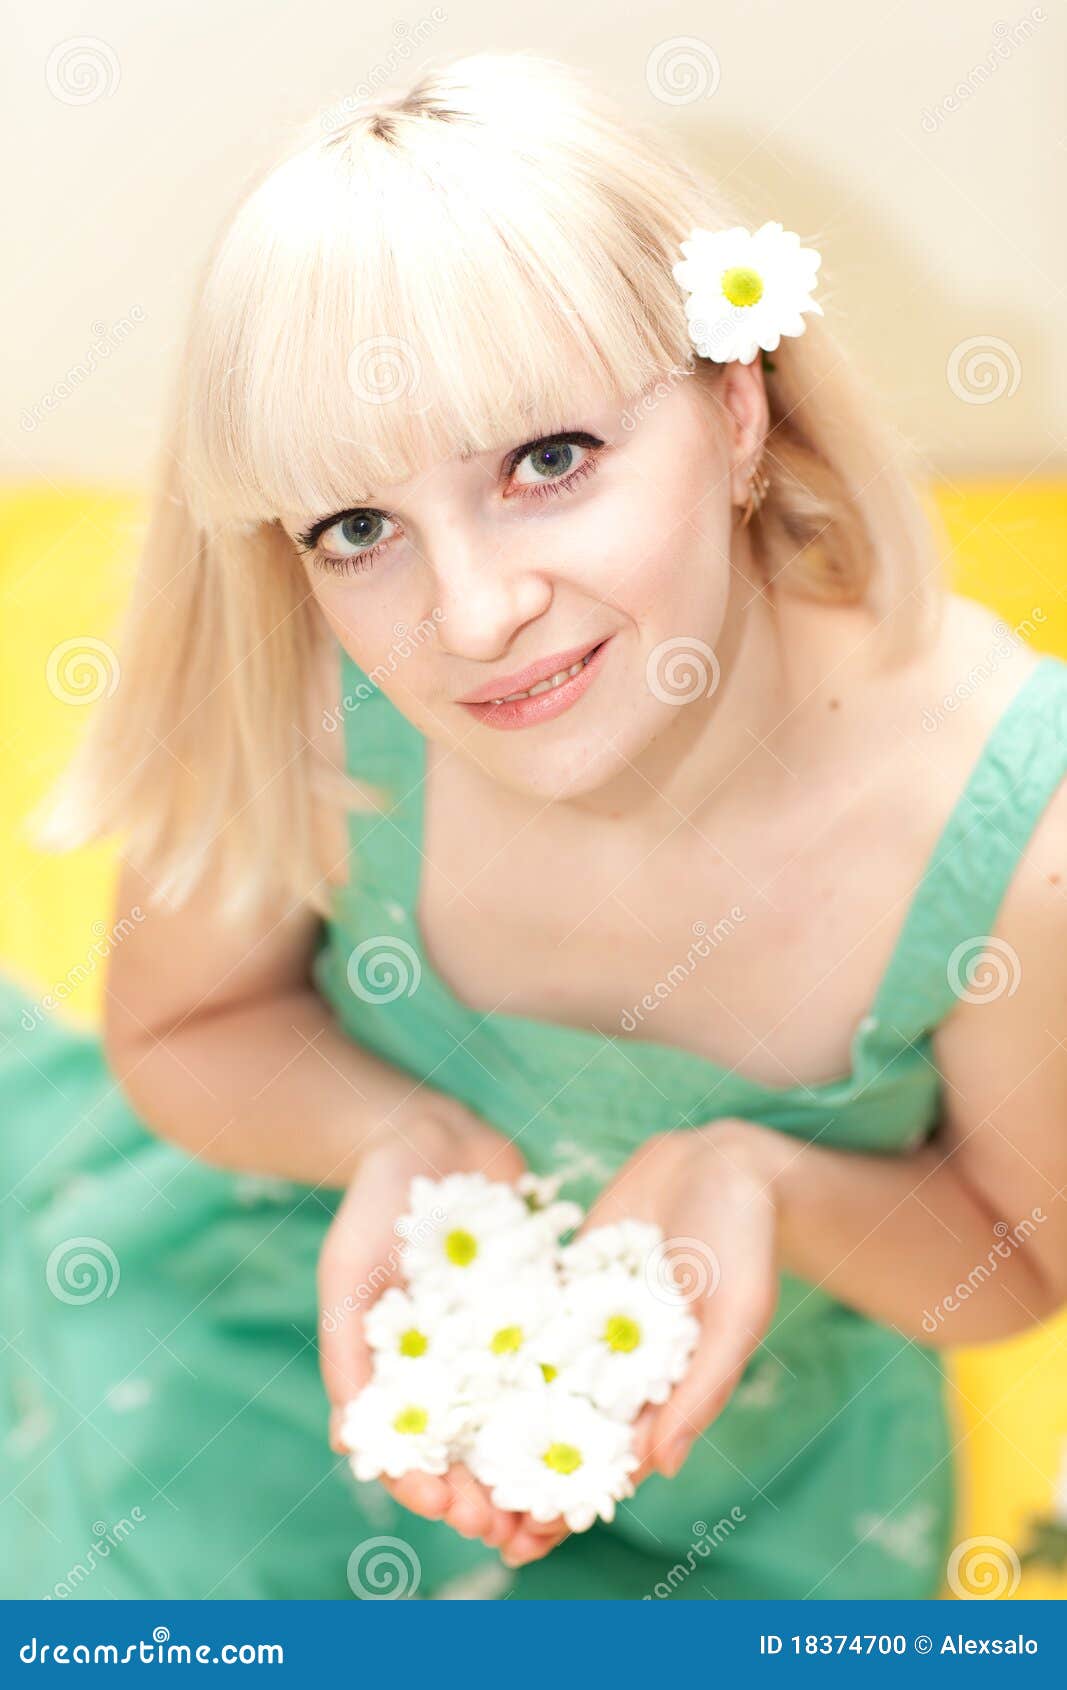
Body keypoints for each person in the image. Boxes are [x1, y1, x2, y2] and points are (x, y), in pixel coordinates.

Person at [4, 49, 1065, 1602]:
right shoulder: (313, 689)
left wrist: (769, 1185)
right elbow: (183, 1021)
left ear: (739, 406)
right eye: (358, 526)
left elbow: (1016, 1258)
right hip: (258, 1329)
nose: (472, 613)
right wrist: (394, 1135)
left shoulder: (1018, 845)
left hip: (750, 1471)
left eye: (548, 460)